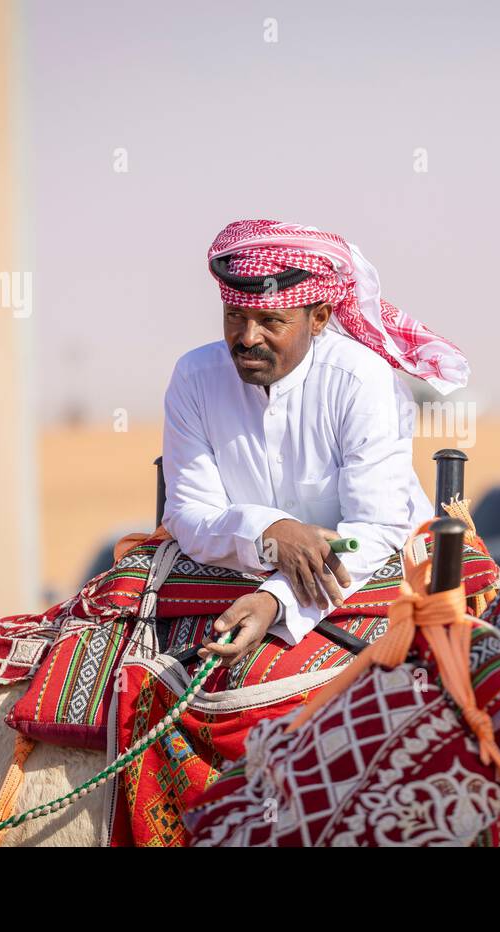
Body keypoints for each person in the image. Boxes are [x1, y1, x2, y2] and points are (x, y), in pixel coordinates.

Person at [161, 219, 469, 663]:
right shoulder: (194, 377)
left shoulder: (361, 379)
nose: (248, 339)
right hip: (233, 579)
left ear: (319, 318)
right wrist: (270, 531)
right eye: (235, 317)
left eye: (270, 321)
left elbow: (376, 529)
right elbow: (188, 513)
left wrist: (276, 600)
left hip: (370, 578)